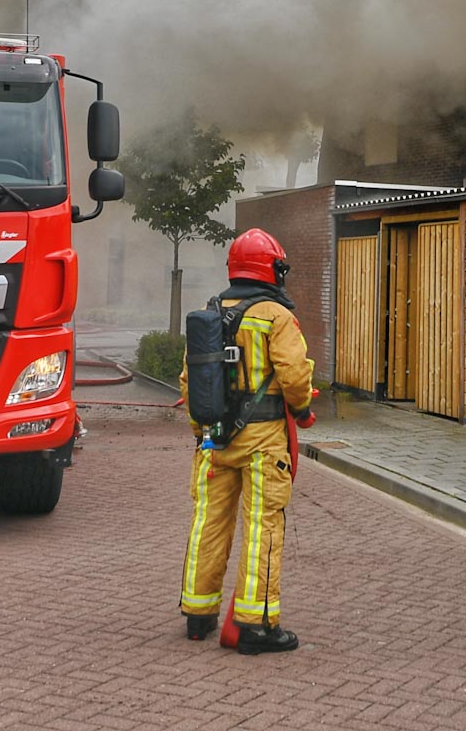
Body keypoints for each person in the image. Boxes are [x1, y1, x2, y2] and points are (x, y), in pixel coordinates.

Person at [178, 228, 316, 655]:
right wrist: (303, 409)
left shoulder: (209, 312)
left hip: (214, 440)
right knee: (263, 527)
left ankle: (198, 615)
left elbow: (189, 380)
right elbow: (294, 375)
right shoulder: (275, 315)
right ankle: (255, 626)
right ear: (271, 268)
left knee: (209, 523)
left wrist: (202, 433)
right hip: (263, 441)